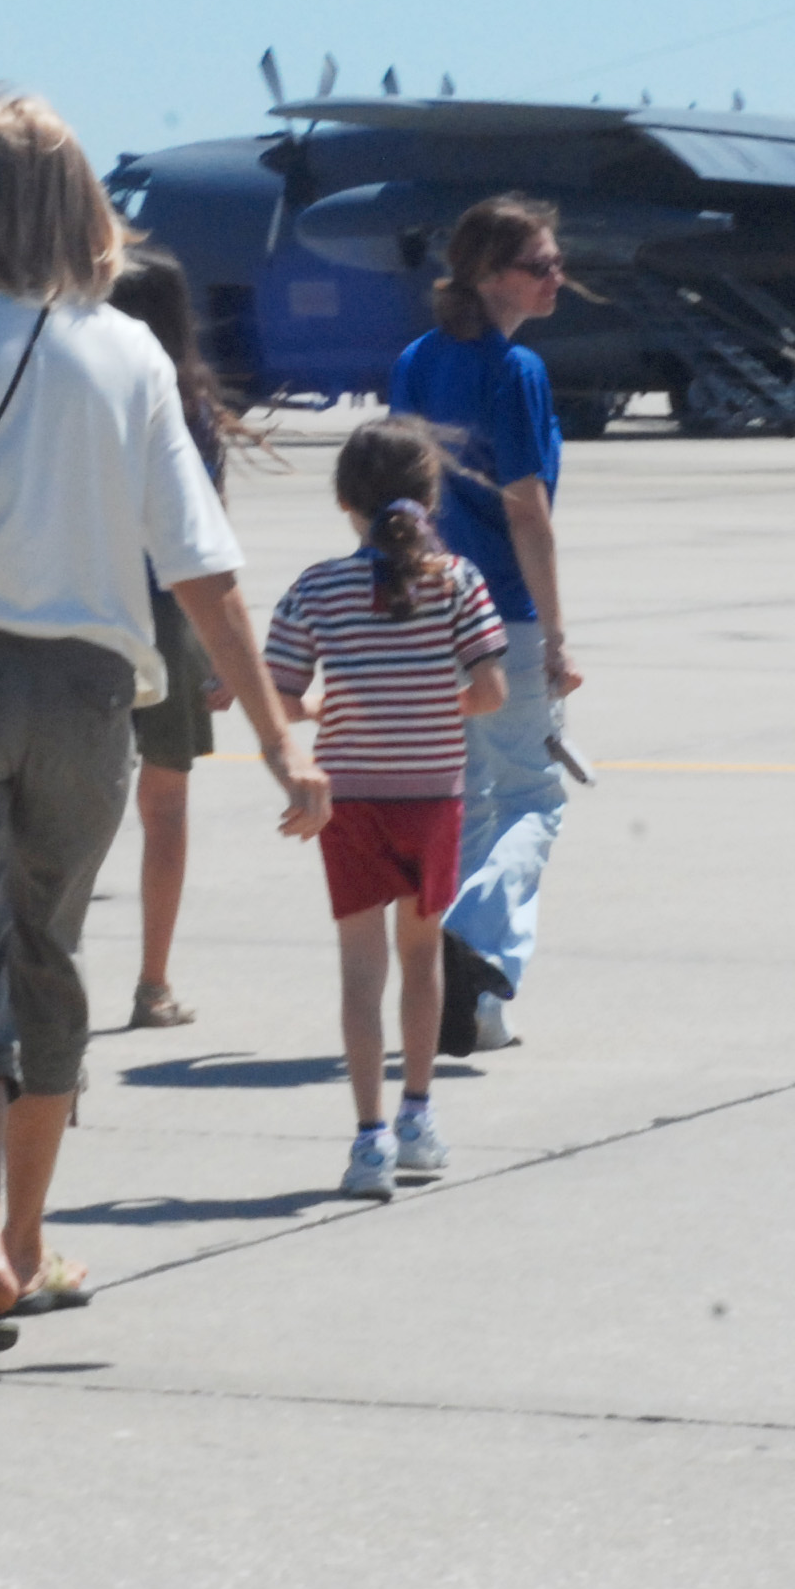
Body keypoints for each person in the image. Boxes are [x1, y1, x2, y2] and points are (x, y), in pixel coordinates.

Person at [0, 90, 330, 1372]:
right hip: (92, 705)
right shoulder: (129, 353)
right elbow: (202, 572)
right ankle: (34, 1241)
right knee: (47, 957)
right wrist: (278, 740)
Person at [262, 419, 508, 1200]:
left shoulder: (316, 587)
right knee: (421, 961)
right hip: (432, 796)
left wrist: (336, 709)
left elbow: (284, 695)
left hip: (352, 799)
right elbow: (491, 691)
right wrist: (437, 705)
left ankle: (366, 1141)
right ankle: (417, 1118)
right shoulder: (459, 581)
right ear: (433, 496)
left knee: (359, 972)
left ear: (344, 502)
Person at [387, 194, 583, 1055]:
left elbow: (398, 493)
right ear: (489, 273)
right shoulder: (517, 372)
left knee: (465, 802)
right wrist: (559, 635)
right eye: (539, 265)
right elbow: (528, 511)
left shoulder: (416, 360)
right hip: (502, 608)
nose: (556, 279)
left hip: (431, 607)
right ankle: (475, 934)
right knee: (536, 796)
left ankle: (471, 1007)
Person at [103, 246, 230, 1029]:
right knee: (167, 802)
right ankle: (153, 981)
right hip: (171, 611)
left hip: (88, 611)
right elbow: (210, 537)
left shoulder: (89, 396)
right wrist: (219, 647)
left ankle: (45, 966)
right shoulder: (195, 407)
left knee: (63, 802)